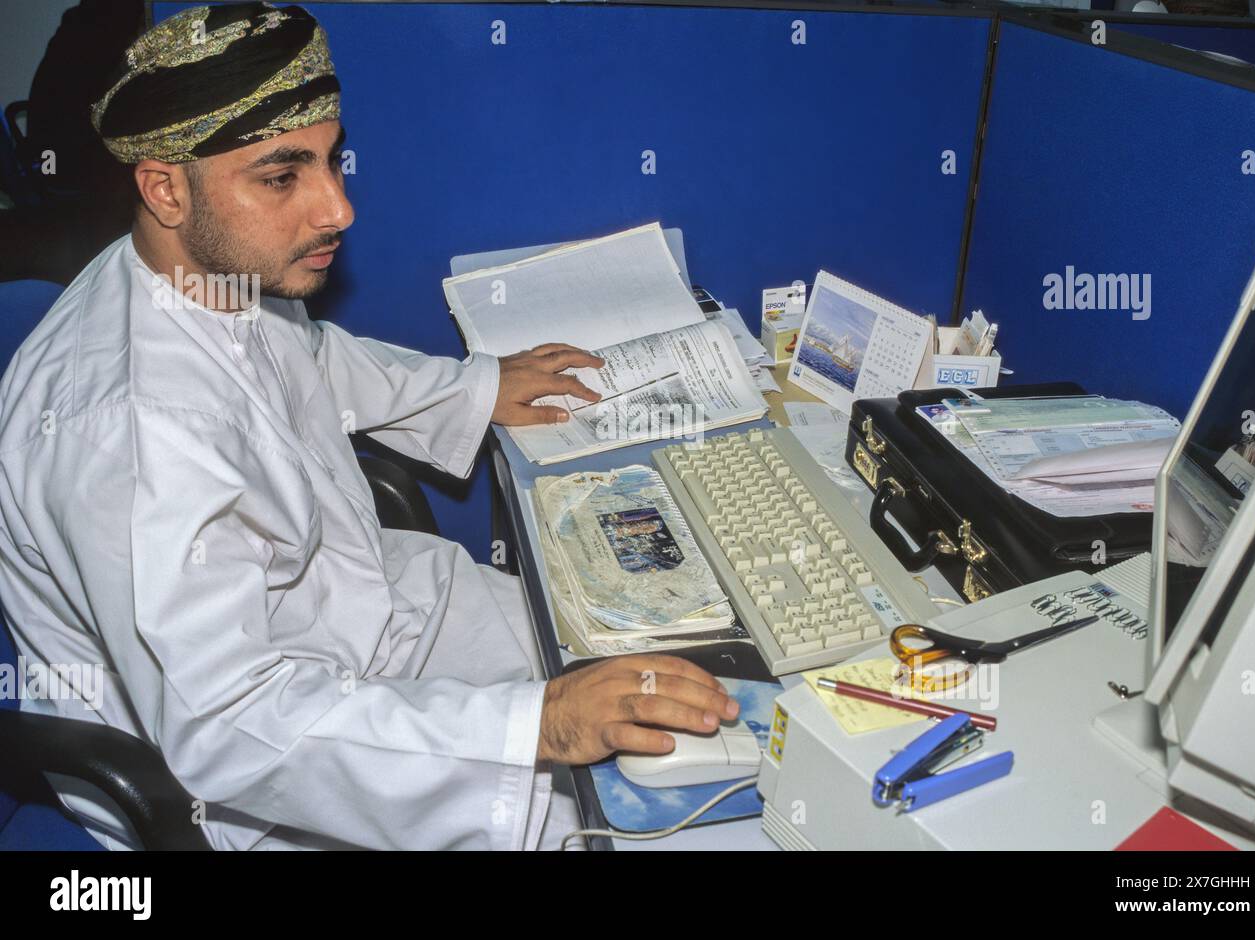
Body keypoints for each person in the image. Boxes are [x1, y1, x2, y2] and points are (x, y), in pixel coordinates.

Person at [0, 2, 737, 850]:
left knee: (645, 639)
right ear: (164, 188)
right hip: (241, 772)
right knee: (646, 814)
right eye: (284, 176)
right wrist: (538, 726)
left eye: (330, 161)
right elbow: (230, 724)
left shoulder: (207, 269)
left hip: (352, 614)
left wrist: (476, 390)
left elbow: (315, 363)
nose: (337, 208)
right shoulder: (126, 433)